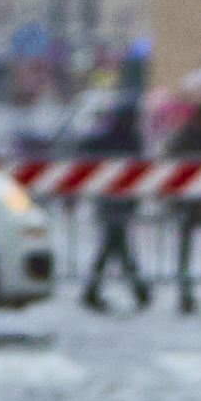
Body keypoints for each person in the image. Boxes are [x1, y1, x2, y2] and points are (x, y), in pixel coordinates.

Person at [70, 73, 150, 312]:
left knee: (114, 245)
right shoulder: (130, 139)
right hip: (117, 201)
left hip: (115, 200)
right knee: (116, 245)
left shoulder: (115, 137)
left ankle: (96, 290)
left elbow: (85, 145)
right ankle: (137, 290)